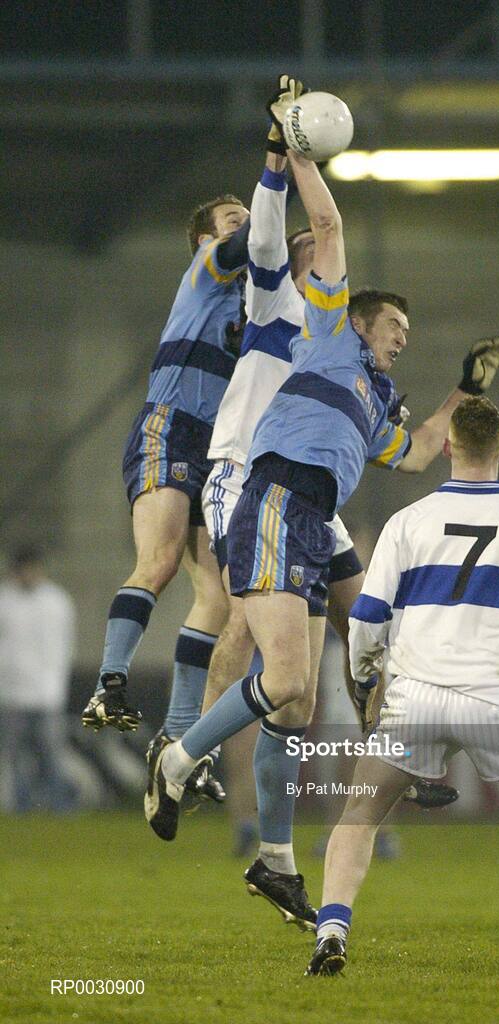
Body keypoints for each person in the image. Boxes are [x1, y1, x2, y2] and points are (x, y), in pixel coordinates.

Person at [145, 107, 499, 907]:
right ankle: (180, 752)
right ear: (355, 319)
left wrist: (466, 389)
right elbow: (324, 226)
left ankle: (278, 857)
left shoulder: (373, 394)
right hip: (265, 487)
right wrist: (295, 151)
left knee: (325, 676)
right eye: (395, 325)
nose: (403, 337)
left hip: (312, 515)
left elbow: (417, 454)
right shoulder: (317, 322)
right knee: (268, 658)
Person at [304, 396, 499, 980]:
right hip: (496, 702)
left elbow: (366, 620)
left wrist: (367, 676)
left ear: (447, 447)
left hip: (415, 698)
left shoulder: (407, 522)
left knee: (361, 811)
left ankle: (330, 932)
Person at [81, 185, 250, 806]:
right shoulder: (207, 270)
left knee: (220, 599)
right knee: (158, 561)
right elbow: (248, 244)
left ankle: (174, 739)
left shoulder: (254, 302)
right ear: (205, 238)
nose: (244, 224)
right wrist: (279, 179)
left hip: (218, 450)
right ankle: (108, 685)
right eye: (232, 219)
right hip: (170, 426)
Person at [0, 545, 77, 812]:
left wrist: (58, 683)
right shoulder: (5, 600)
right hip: (11, 692)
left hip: (47, 691)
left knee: (51, 753)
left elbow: (64, 646)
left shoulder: (56, 601)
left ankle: (58, 804)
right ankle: (21, 805)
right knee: (15, 754)